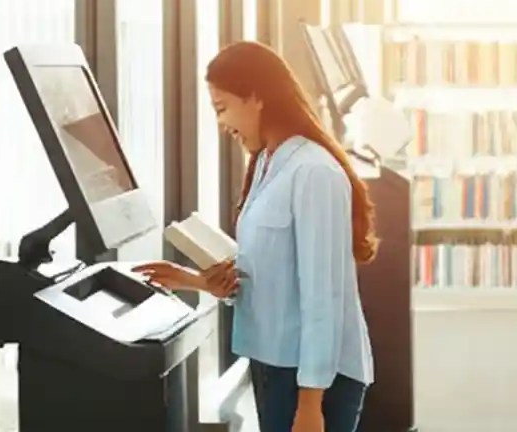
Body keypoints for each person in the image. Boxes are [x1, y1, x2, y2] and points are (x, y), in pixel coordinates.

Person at [135, 41, 376, 432]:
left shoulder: (314, 172)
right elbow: (275, 278)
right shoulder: (267, 164)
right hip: (275, 367)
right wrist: (196, 281)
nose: (221, 122)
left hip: (313, 379)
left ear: (256, 97)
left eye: (222, 107)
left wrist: (311, 404)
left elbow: (323, 297)